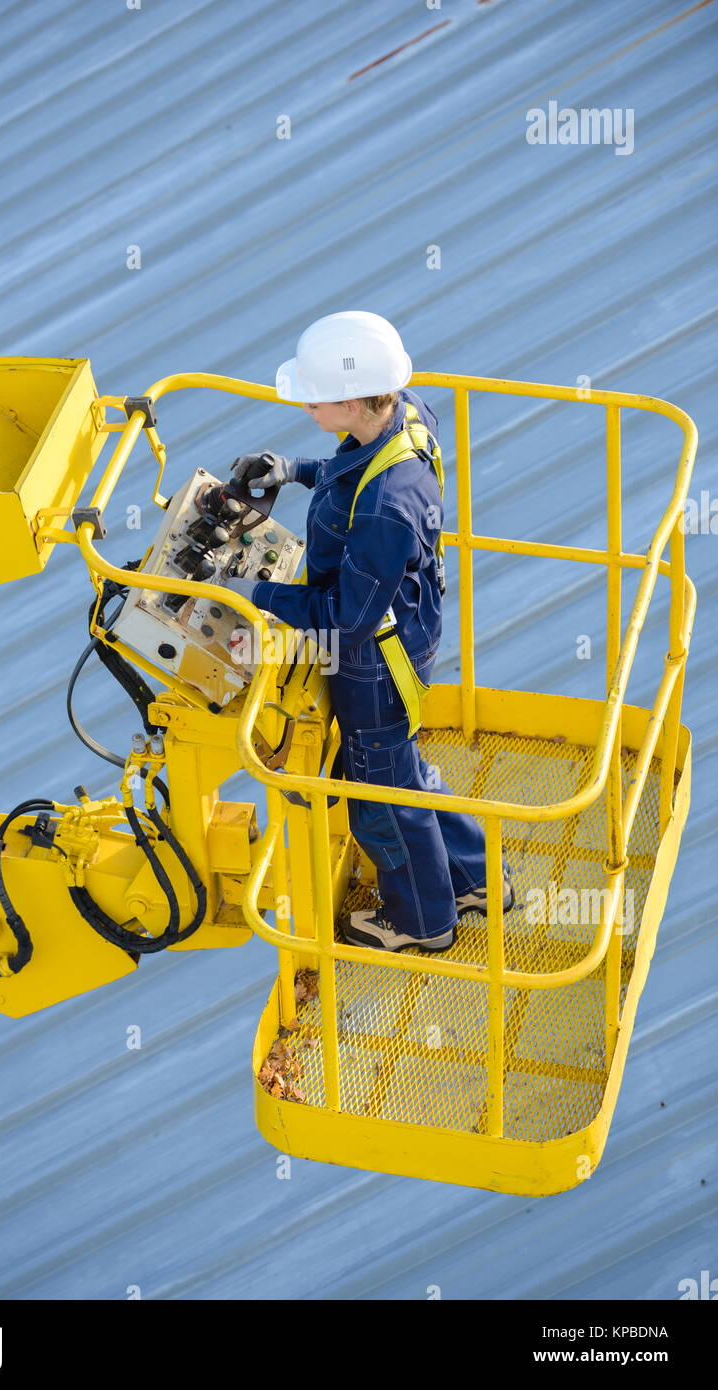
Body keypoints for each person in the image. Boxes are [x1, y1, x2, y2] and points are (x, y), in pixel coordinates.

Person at [225, 311, 513, 952]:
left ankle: (424, 924)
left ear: (353, 399)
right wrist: (294, 469)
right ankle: (480, 881)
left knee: (381, 795)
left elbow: (346, 622)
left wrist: (254, 596)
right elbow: (353, 468)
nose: (303, 404)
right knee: (405, 768)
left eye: (313, 395)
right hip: (409, 628)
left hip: (374, 663)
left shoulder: (386, 510)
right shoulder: (407, 418)